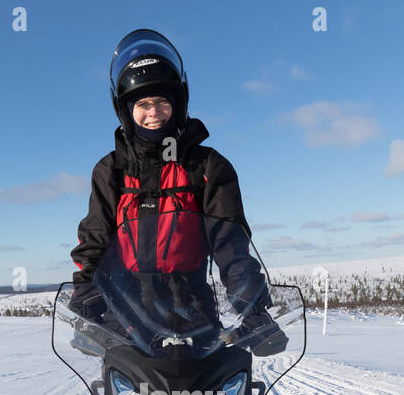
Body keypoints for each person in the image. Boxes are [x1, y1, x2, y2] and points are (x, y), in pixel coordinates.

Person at [69, 29, 286, 354]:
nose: (153, 112)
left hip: (194, 315)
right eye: (142, 103)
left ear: (178, 103)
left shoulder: (207, 167)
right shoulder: (110, 171)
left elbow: (231, 247)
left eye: (161, 102)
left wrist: (252, 310)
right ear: (126, 110)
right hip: (124, 320)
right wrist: (86, 303)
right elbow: (95, 244)